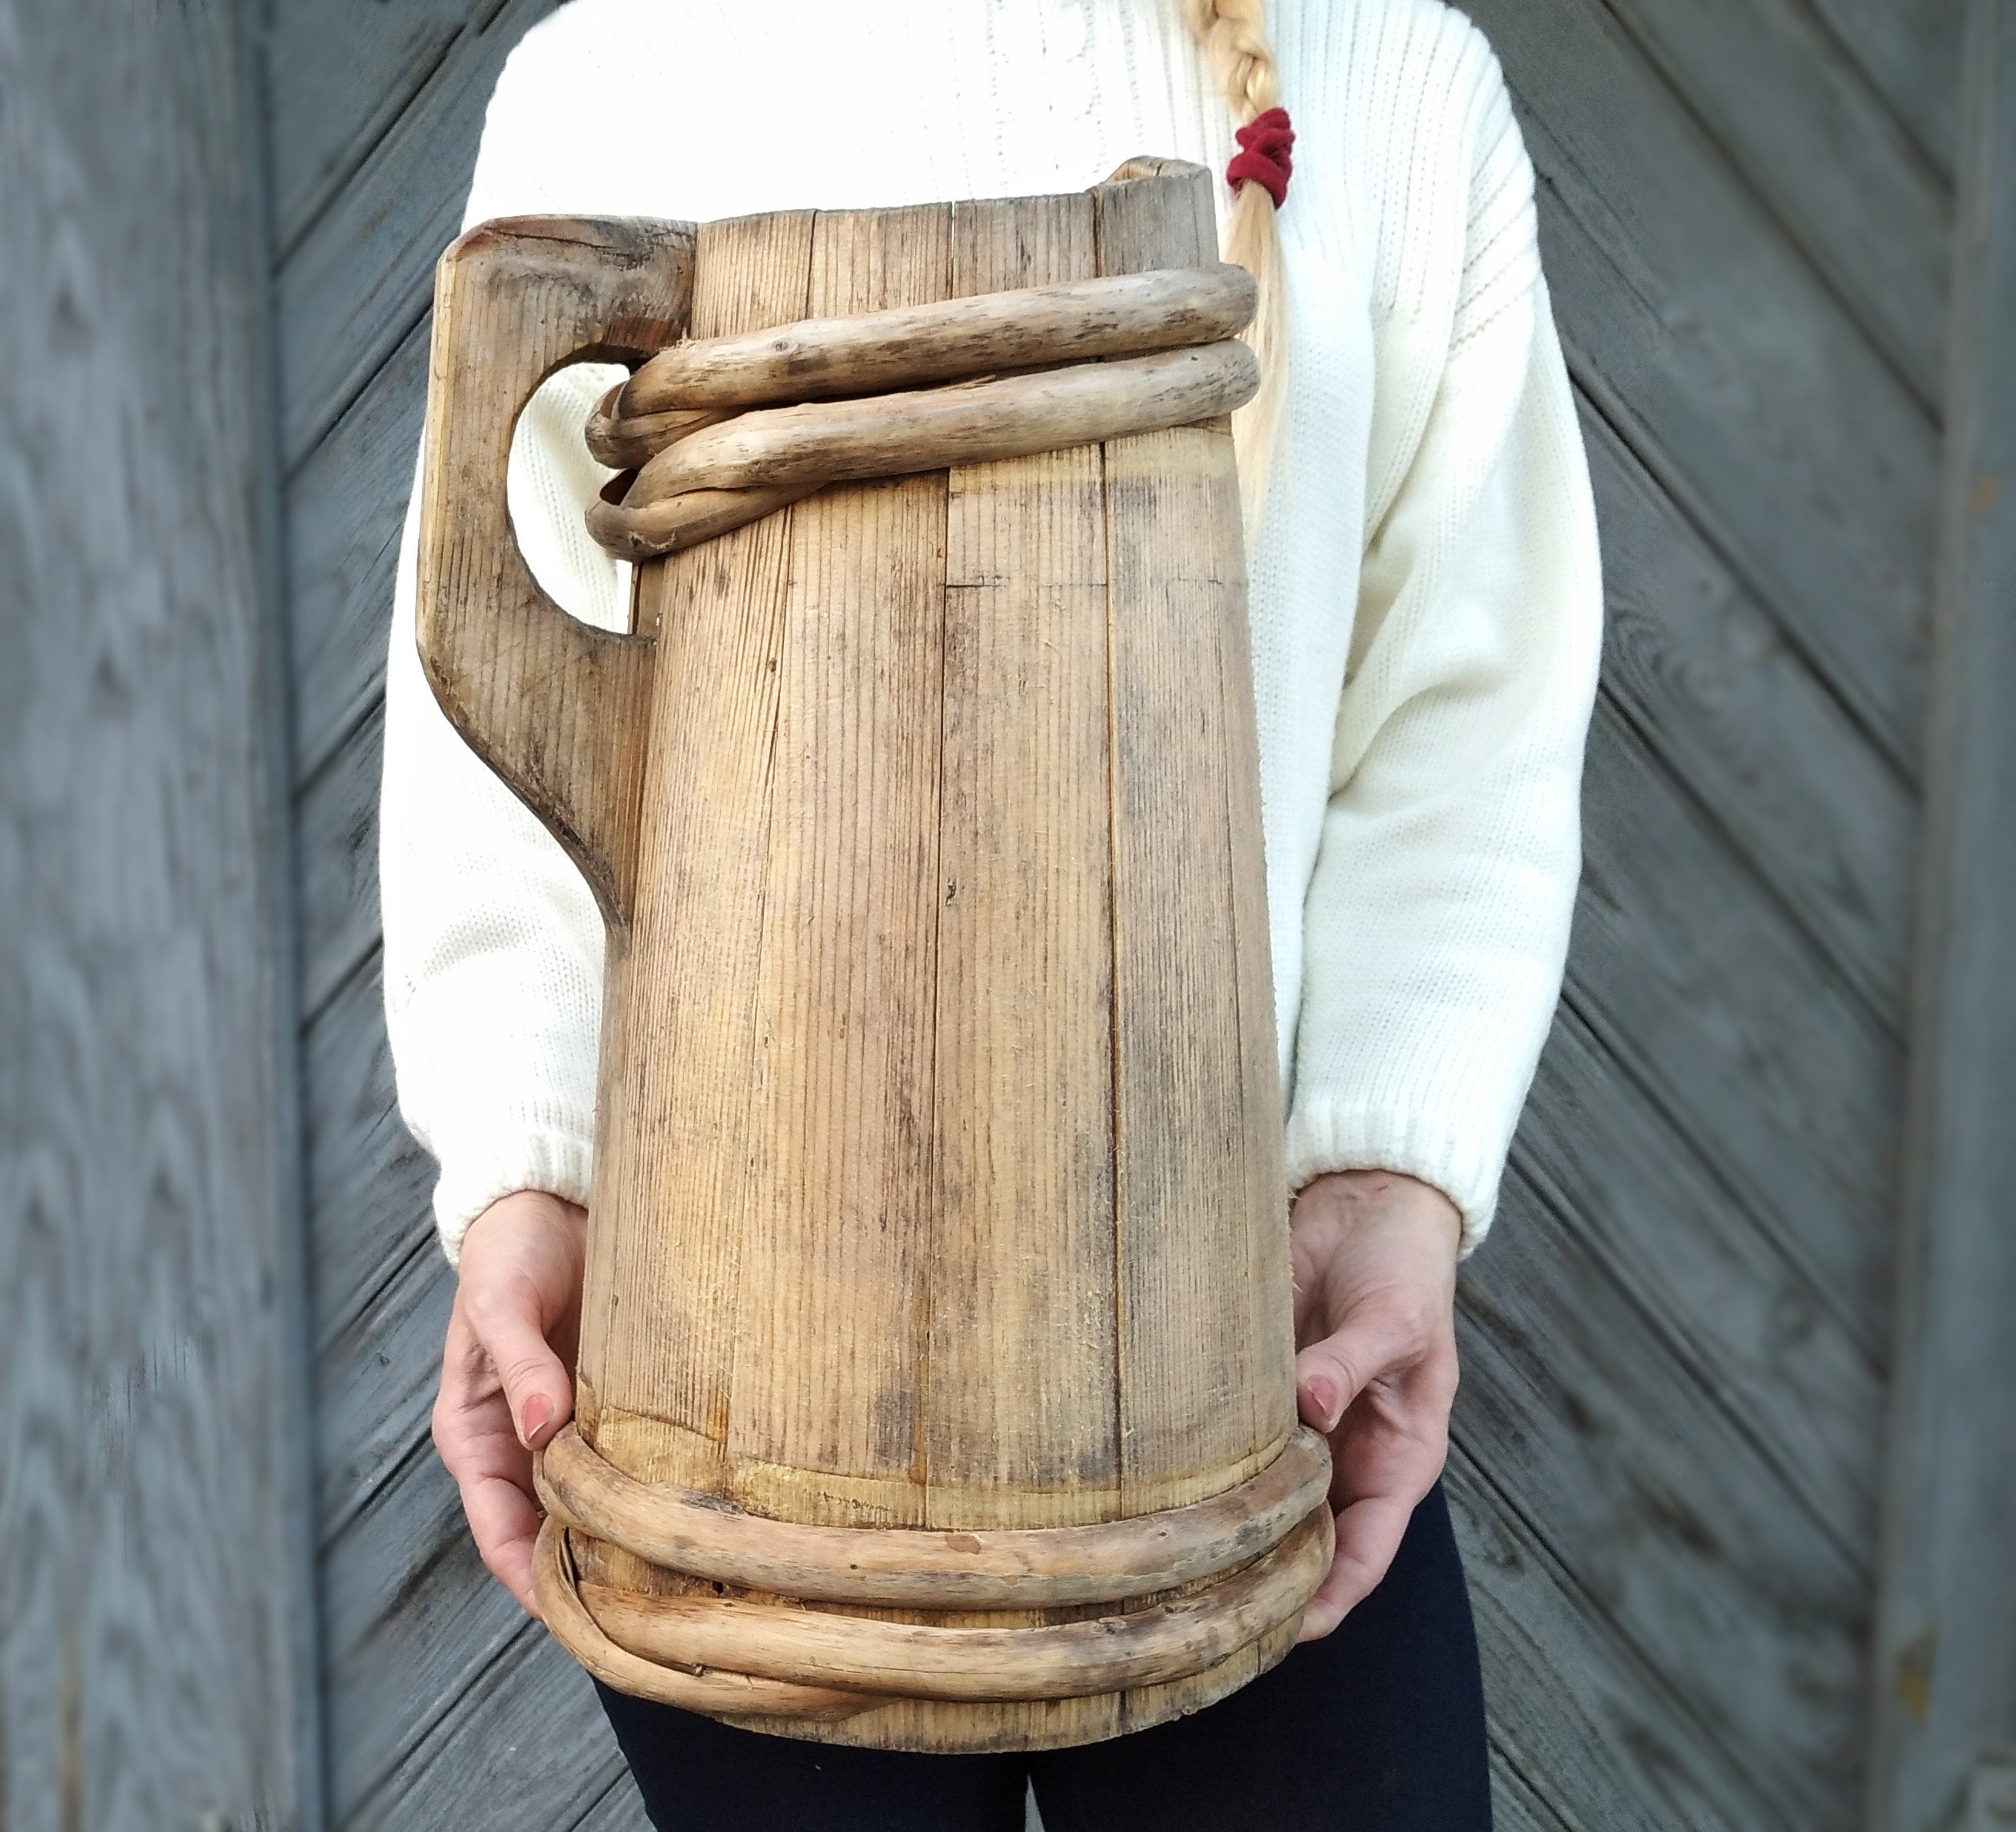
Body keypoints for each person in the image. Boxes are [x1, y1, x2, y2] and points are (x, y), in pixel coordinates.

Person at [379, 0, 1603, 1824]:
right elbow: (503, 709)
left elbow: (1459, 702)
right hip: (741, 1394)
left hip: (1232, 1362)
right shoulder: (619, 75)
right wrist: (527, 1173)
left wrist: (1383, 1173)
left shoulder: (1389, 78)